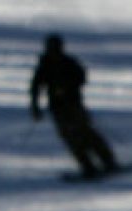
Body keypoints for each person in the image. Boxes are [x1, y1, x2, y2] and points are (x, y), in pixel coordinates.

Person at [30, 33, 119, 179]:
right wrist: (35, 108)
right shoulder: (44, 66)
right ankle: (87, 166)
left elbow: (82, 77)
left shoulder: (69, 63)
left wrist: (68, 87)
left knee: (87, 133)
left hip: (74, 105)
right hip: (58, 109)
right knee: (70, 138)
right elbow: (35, 88)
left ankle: (108, 161)